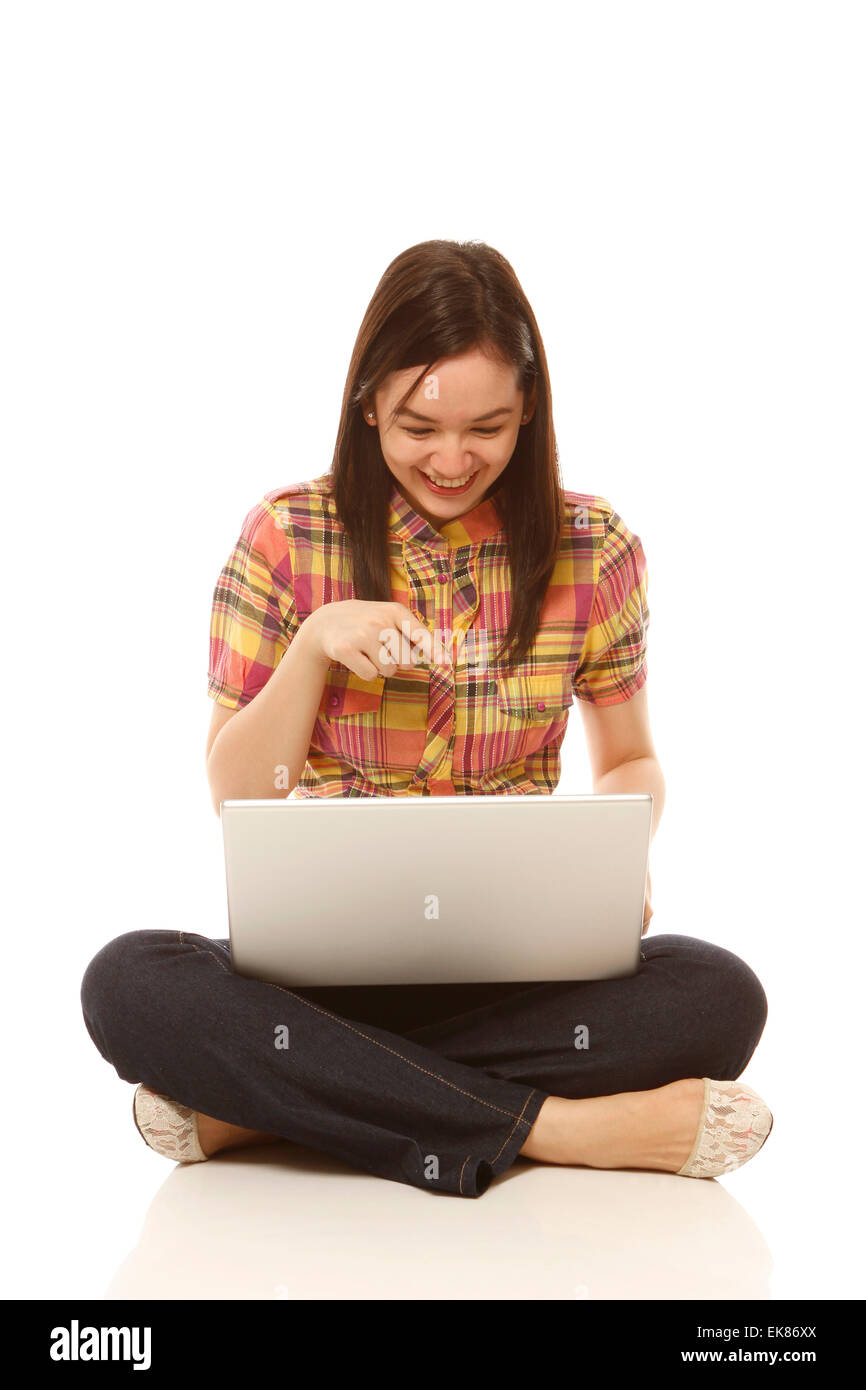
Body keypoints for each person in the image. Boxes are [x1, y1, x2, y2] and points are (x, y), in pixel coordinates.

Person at [81, 240, 772, 1198]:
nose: (453, 460)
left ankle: (269, 1100)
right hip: (320, 983)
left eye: (487, 426)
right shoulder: (287, 536)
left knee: (719, 995)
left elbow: (631, 761)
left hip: (525, 975)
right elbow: (238, 793)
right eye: (417, 427)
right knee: (128, 981)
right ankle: (559, 1128)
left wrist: (626, 854)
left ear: (529, 407)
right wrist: (315, 644)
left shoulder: (594, 548)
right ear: (368, 404)